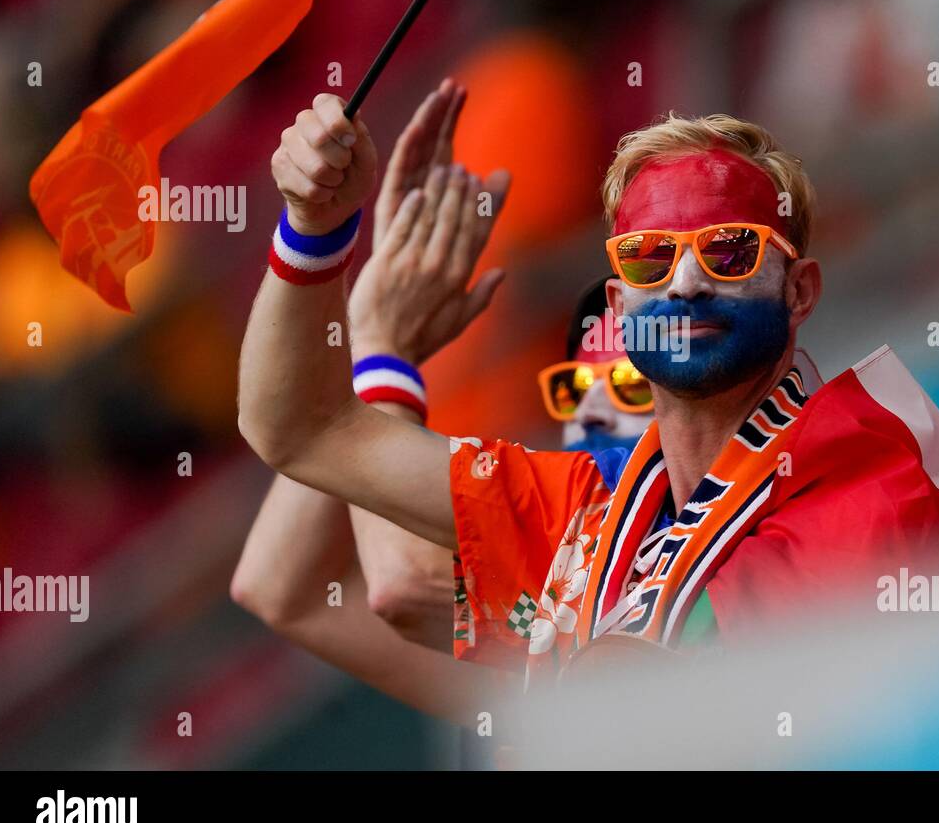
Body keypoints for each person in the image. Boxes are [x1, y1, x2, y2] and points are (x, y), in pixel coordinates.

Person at [237, 78, 939, 690]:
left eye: (730, 252)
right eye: (650, 258)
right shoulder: (590, 525)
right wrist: (315, 229)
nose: (685, 282)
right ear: (620, 309)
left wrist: (379, 341)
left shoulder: (868, 494)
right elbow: (302, 429)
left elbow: (402, 588)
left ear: (800, 291)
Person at [231, 82, 658, 723]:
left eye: (629, 386)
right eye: (575, 391)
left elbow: (401, 584)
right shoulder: (543, 626)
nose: (594, 415)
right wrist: (366, 322)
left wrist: (382, 342)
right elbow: (277, 587)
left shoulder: (667, 561)